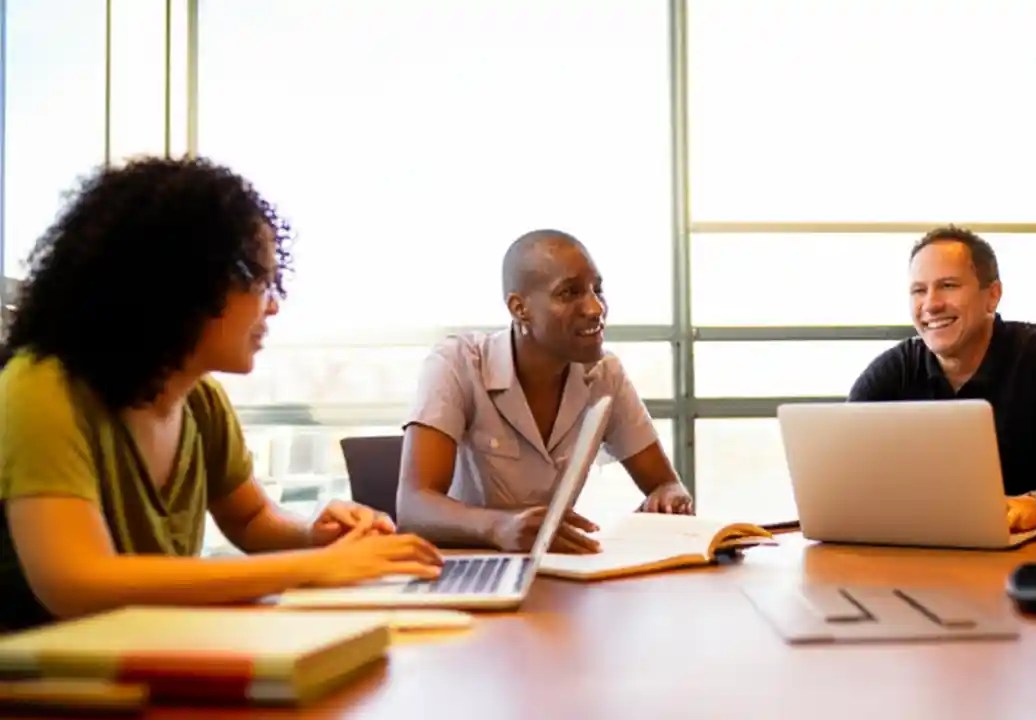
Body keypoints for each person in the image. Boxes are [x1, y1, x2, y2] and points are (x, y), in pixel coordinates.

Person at [0, 157, 441, 632]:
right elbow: (76, 583)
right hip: (47, 671)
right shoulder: (42, 387)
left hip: (145, 650)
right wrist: (312, 567)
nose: (273, 305)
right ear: (186, 280)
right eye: (261, 281)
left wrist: (317, 536)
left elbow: (251, 518)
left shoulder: (199, 399)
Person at [398, 229, 692, 553]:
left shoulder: (604, 374)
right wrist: (499, 527)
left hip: (557, 566)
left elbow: (664, 483)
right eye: (569, 293)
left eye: (597, 290)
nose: (595, 308)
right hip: (470, 565)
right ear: (519, 308)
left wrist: (670, 497)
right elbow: (413, 508)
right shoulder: (458, 363)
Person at [847, 225, 1036, 532]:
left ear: (992, 295)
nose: (931, 304)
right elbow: (842, 486)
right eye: (919, 291)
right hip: (926, 550)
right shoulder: (892, 372)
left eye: (948, 285)